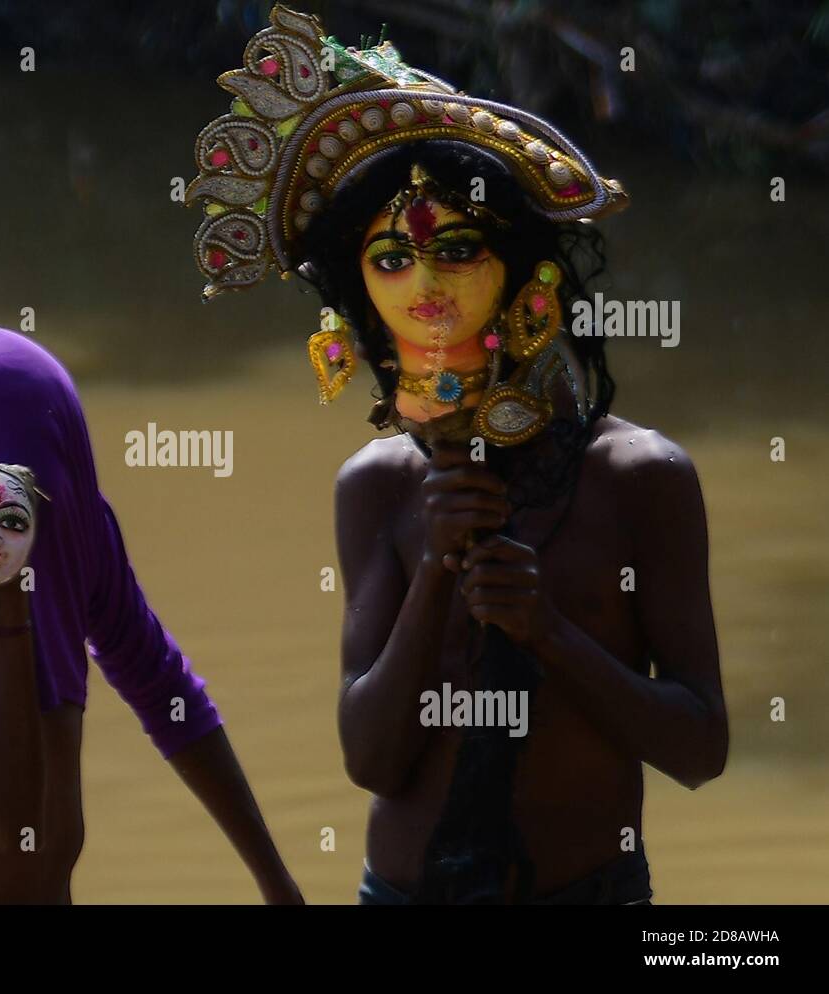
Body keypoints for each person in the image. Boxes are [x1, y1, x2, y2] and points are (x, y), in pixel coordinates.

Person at [185, 5, 727, 903]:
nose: (428, 285)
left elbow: (700, 749)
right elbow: (370, 760)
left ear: (529, 274)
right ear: (358, 299)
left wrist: (547, 632)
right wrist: (436, 571)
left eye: (461, 249)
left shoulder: (640, 480)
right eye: (392, 259)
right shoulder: (378, 489)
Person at [0, 326, 301, 904]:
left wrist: (277, 884)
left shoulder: (72, 521)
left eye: (32, 480)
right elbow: (5, 821)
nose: (3, 518)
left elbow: (164, 688)